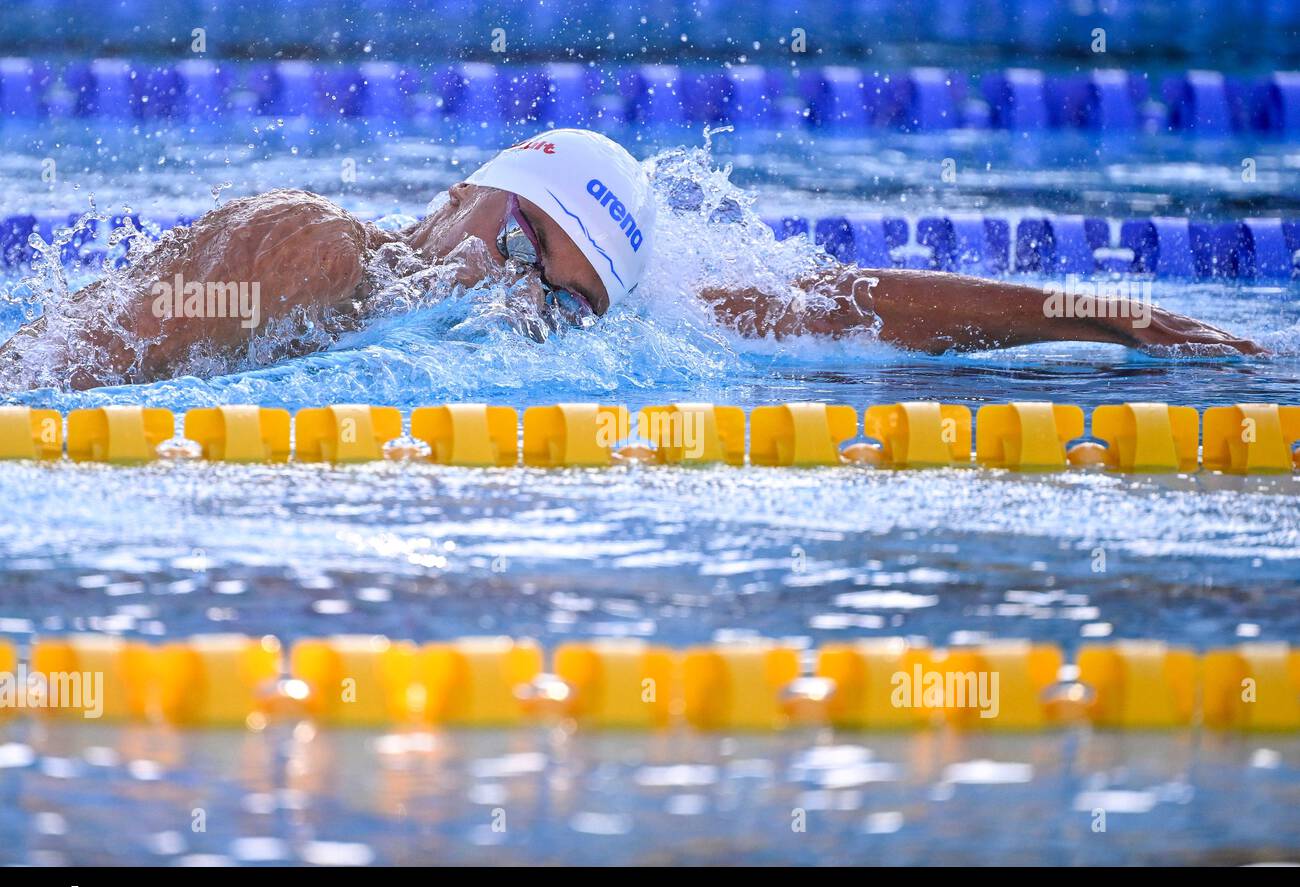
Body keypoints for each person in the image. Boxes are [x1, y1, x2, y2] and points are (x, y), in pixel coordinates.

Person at [0, 128, 1260, 390]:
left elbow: (843, 305)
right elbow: (53, 371)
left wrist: (1096, 309)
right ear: (465, 191)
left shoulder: (594, 332)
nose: (521, 287)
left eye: (563, 290)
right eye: (526, 239)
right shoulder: (311, 247)